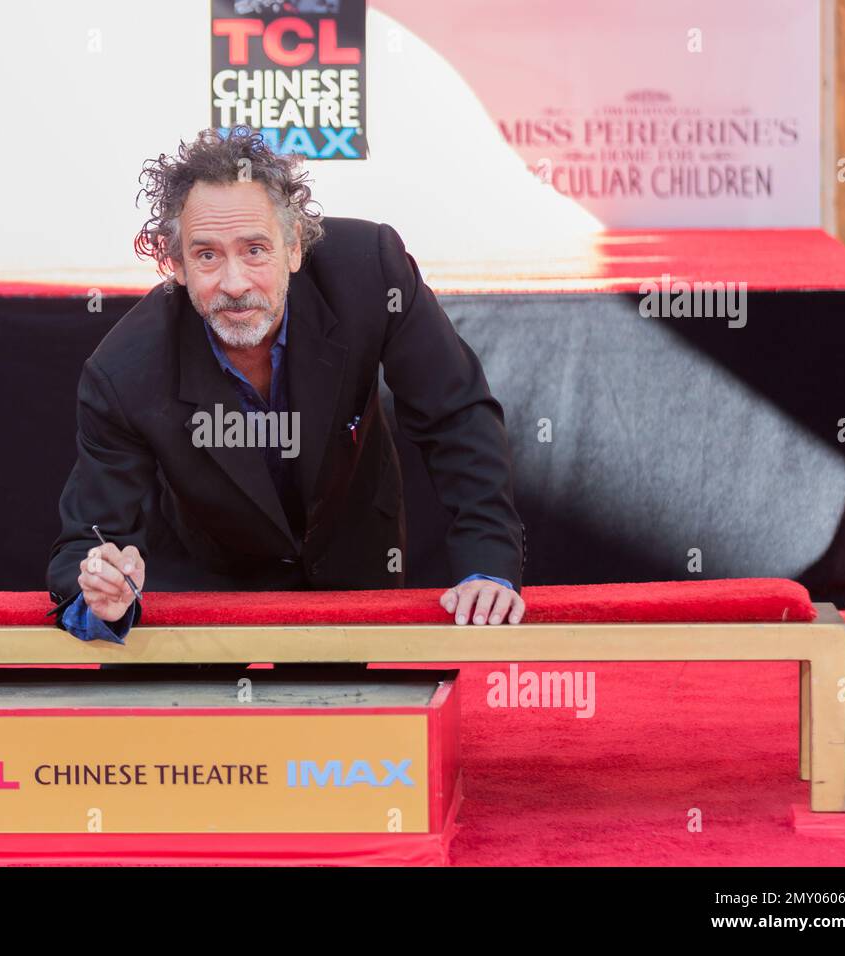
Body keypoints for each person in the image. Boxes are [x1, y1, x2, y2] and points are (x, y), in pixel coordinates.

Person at [47, 126, 526, 644]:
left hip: (360, 569)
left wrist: (487, 563)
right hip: (212, 599)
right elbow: (86, 545)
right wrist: (102, 597)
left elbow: (455, 417)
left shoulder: (372, 269)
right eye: (206, 255)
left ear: (295, 246)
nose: (234, 283)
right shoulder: (122, 370)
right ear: (177, 265)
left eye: (255, 250)